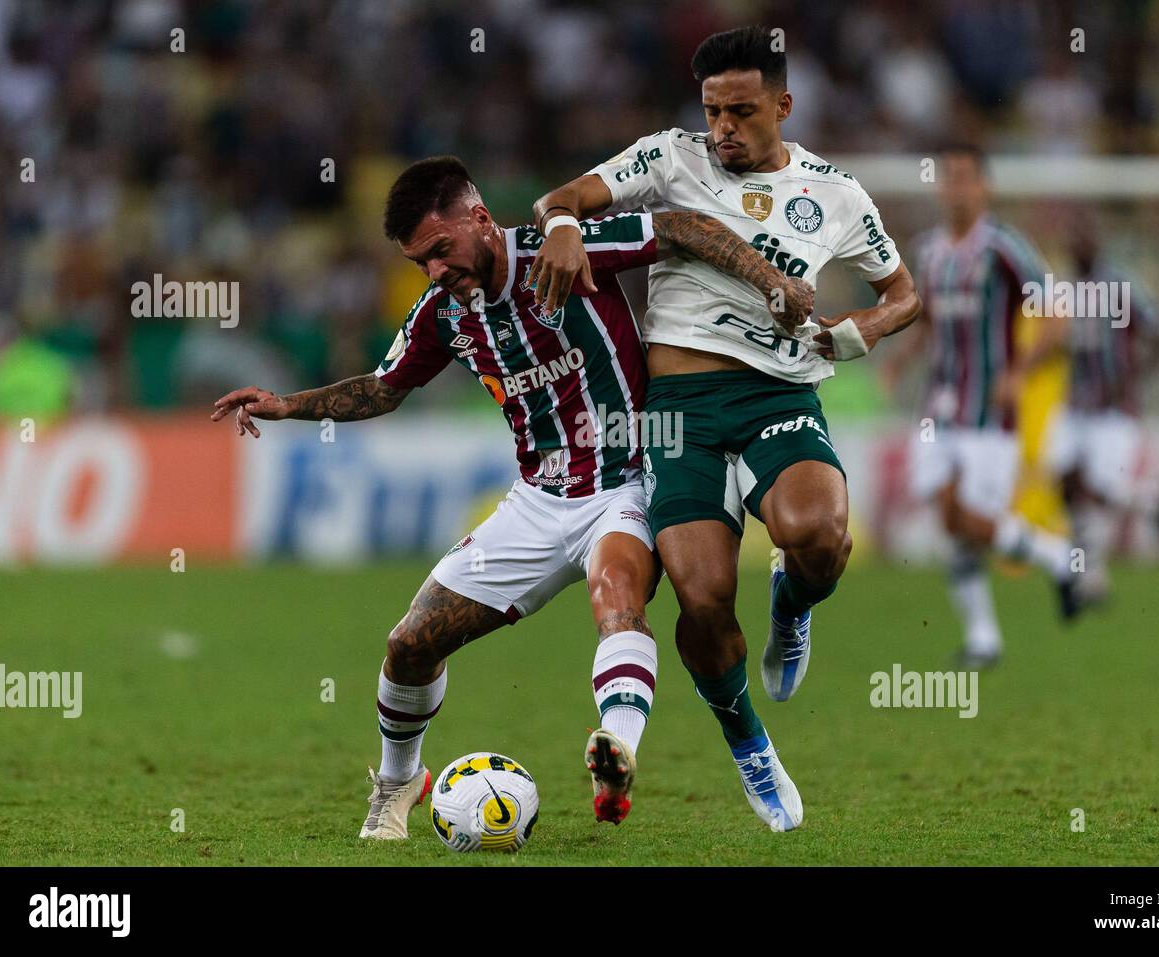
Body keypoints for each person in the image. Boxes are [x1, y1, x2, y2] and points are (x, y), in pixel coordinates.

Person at [211, 155, 811, 836]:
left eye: (440, 250)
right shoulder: (445, 314)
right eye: (420, 262)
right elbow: (384, 388)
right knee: (409, 644)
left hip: (631, 480)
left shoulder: (563, 252)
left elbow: (679, 226)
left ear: (478, 217)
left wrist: (770, 281)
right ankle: (398, 780)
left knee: (617, 593)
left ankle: (618, 751)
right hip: (538, 499)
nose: (435, 271)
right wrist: (287, 404)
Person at [528, 27, 921, 831]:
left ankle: (794, 603)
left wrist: (863, 330)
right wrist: (562, 225)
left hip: (779, 395)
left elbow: (905, 293)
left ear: (783, 105)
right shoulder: (669, 158)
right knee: (703, 598)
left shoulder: (835, 192)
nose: (724, 129)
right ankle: (749, 744)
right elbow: (559, 200)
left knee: (817, 534)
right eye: (713, 111)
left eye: (742, 112)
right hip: (680, 409)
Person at [881, 144, 1080, 669]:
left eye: (966, 177)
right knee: (952, 518)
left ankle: (987, 636)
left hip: (992, 415)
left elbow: (1057, 315)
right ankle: (1052, 559)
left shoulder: (1004, 248)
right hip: (941, 409)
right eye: (948, 177)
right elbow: (924, 319)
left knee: (972, 524)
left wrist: (1019, 372)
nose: (956, 187)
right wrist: (899, 361)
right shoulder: (928, 251)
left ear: (984, 186)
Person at [1047, 213, 1159, 603]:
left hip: (1114, 408)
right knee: (1063, 479)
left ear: (1098, 243)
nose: (1080, 245)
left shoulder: (1120, 284)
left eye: (1086, 237)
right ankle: (1145, 504)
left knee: (1101, 489)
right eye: (1074, 237)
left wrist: (1132, 379)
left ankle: (1097, 571)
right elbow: (1064, 342)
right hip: (1075, 403)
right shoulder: (1063, 289)